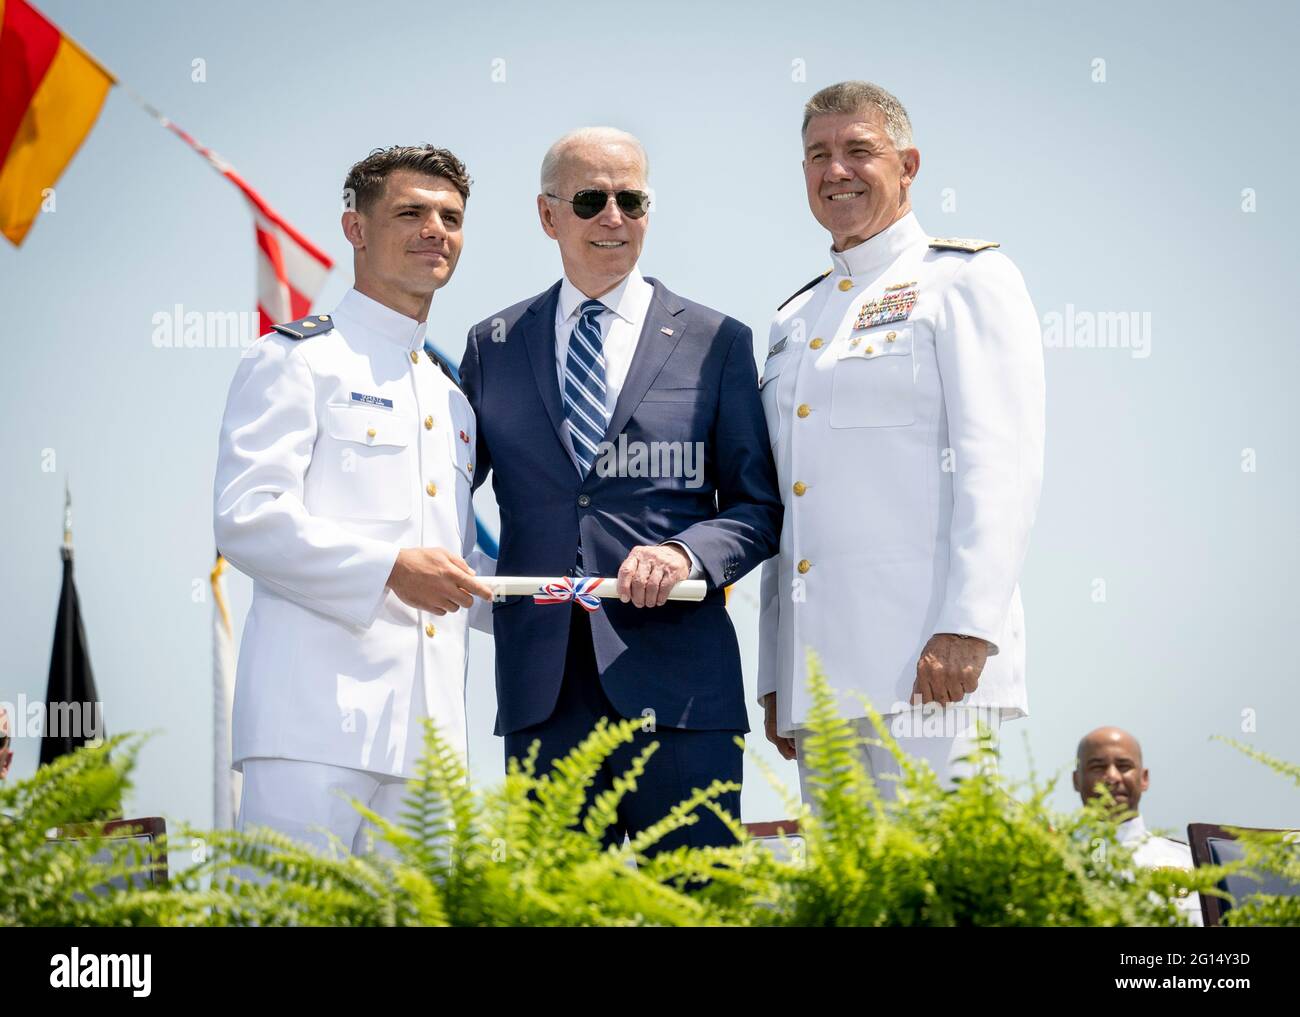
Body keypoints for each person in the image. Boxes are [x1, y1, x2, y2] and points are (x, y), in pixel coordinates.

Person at [459, 127, 782, 852]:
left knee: (697, 911)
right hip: (543, 696)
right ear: (548, 216)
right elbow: (434, 487)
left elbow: (757, 507)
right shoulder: (493, 344)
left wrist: (685, 554)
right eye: (590, 199)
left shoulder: (718, 341)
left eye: (631, 199)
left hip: (682, 694)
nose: (613, 216)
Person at [757, 81, 1045, 802]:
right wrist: (777, 672)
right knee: (847, 903)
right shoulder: (794, 316)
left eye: (859, 150)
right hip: (820, 680)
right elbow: (786, 500)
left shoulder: (966, 279)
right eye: (818, 155)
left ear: (908, 165)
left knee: (935, 900)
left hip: (931, 665)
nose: (836, 170)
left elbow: (1000, 466)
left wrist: (969, 627)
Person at [213, 145, 493, 856]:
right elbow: (248, 517)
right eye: (411, 212)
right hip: (311, 728)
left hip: (431, 744)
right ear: (356, 229)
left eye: (451, 217)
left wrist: (590, 589)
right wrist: (390, 568)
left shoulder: (451, 393)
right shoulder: (296, 359)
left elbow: (466, 568)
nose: (436, 229)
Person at [1074, 726, 1204, 925]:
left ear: (1144, 778)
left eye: (1124, 766)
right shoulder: (1053, 859)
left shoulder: (1190, 861)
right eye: (1098, 767)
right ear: (1077, 780)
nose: (1113, 777)